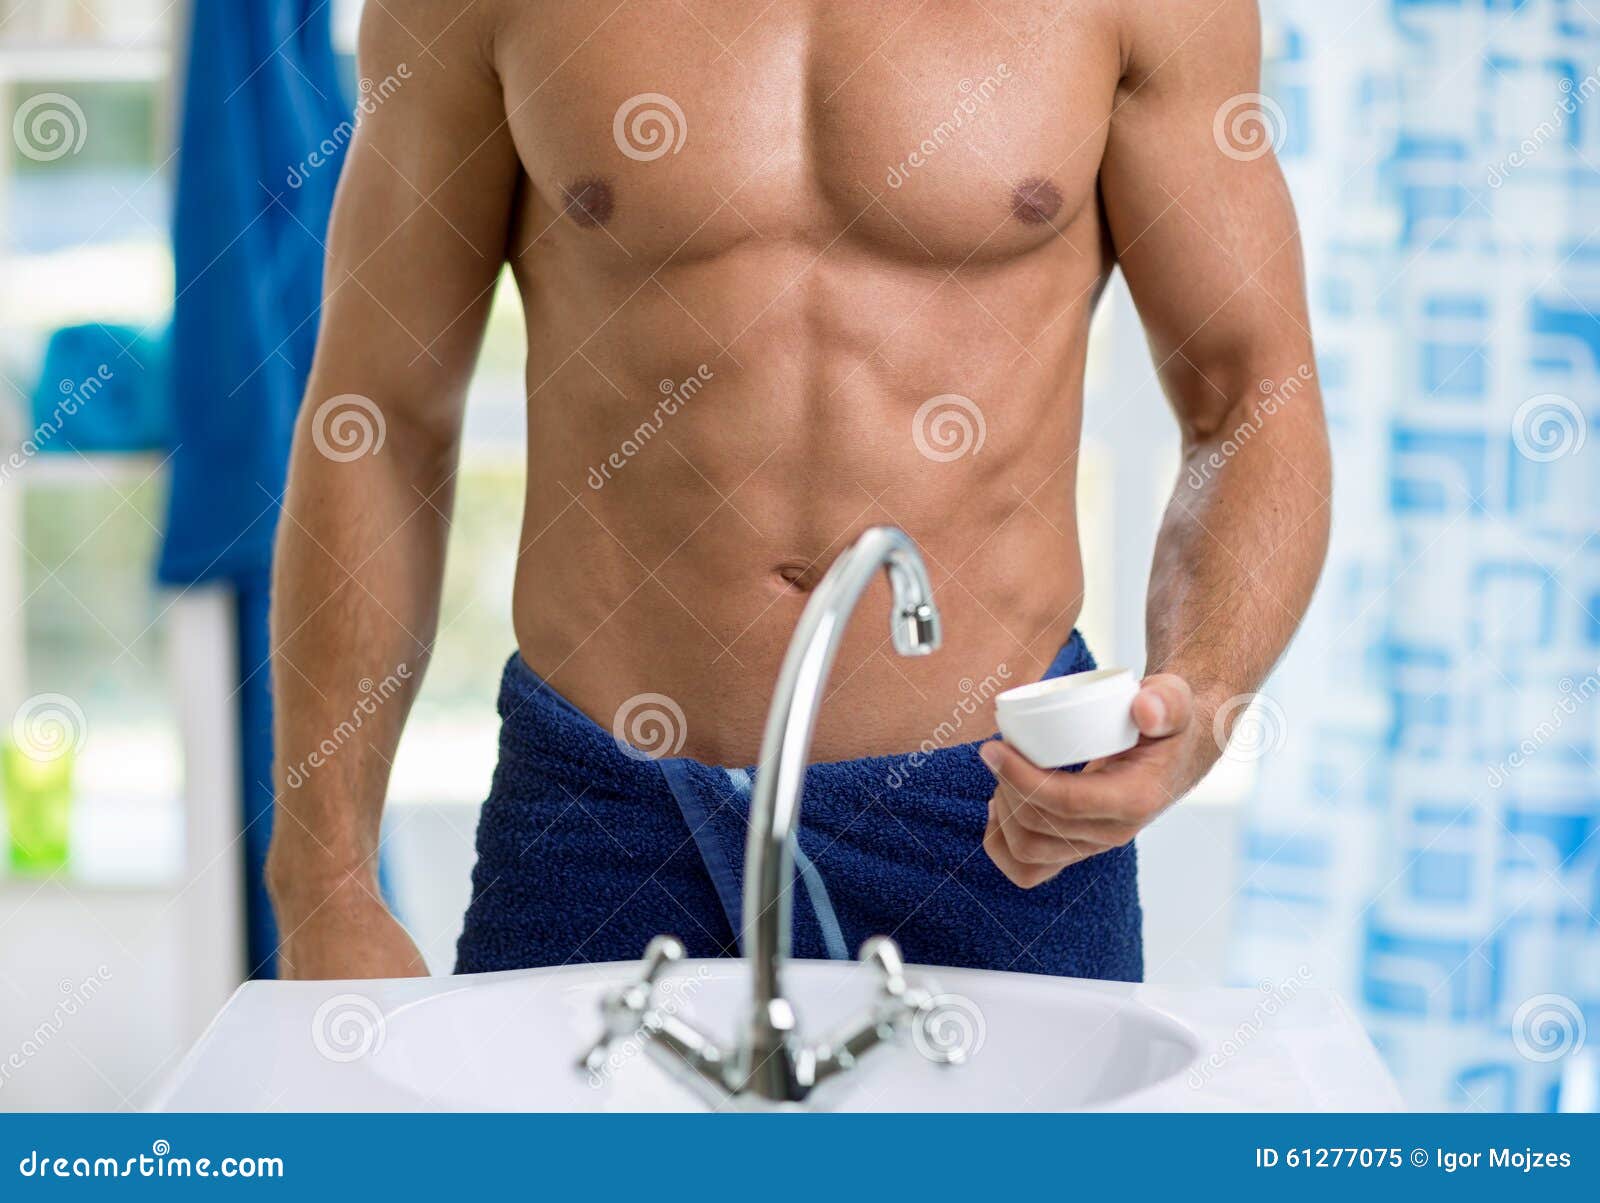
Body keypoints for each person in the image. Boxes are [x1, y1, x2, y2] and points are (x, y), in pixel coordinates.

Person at [265, 0, 1329, 981]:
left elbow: (1248, 391)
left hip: (1000, 819)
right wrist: (322, 885)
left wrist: (1203, 694)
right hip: (605, 810)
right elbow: (380, 417)